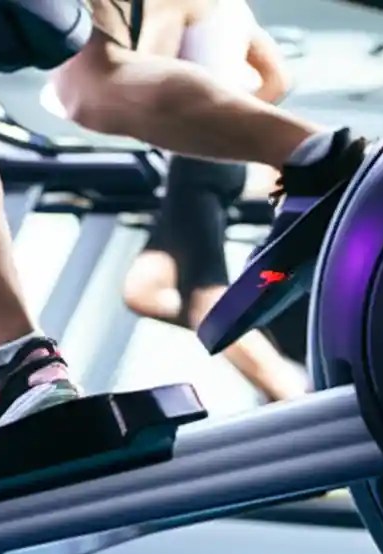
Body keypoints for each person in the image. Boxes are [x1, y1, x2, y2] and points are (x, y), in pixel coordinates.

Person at [0, 0, 366, 450]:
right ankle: (316, 156)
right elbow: (277, 76)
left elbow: (159, 57)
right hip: (208, 148)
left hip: (195, 165)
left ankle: (18, 364)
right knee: (92, 81)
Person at [118, 0, 310, 402]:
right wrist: (228, 121)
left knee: (206, 304)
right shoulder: (234, 8)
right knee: (144, 288)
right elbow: (277, 78)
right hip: (220, 161)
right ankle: (254, 323)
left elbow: (139, 79)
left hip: (196, 162)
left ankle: (297, 399)